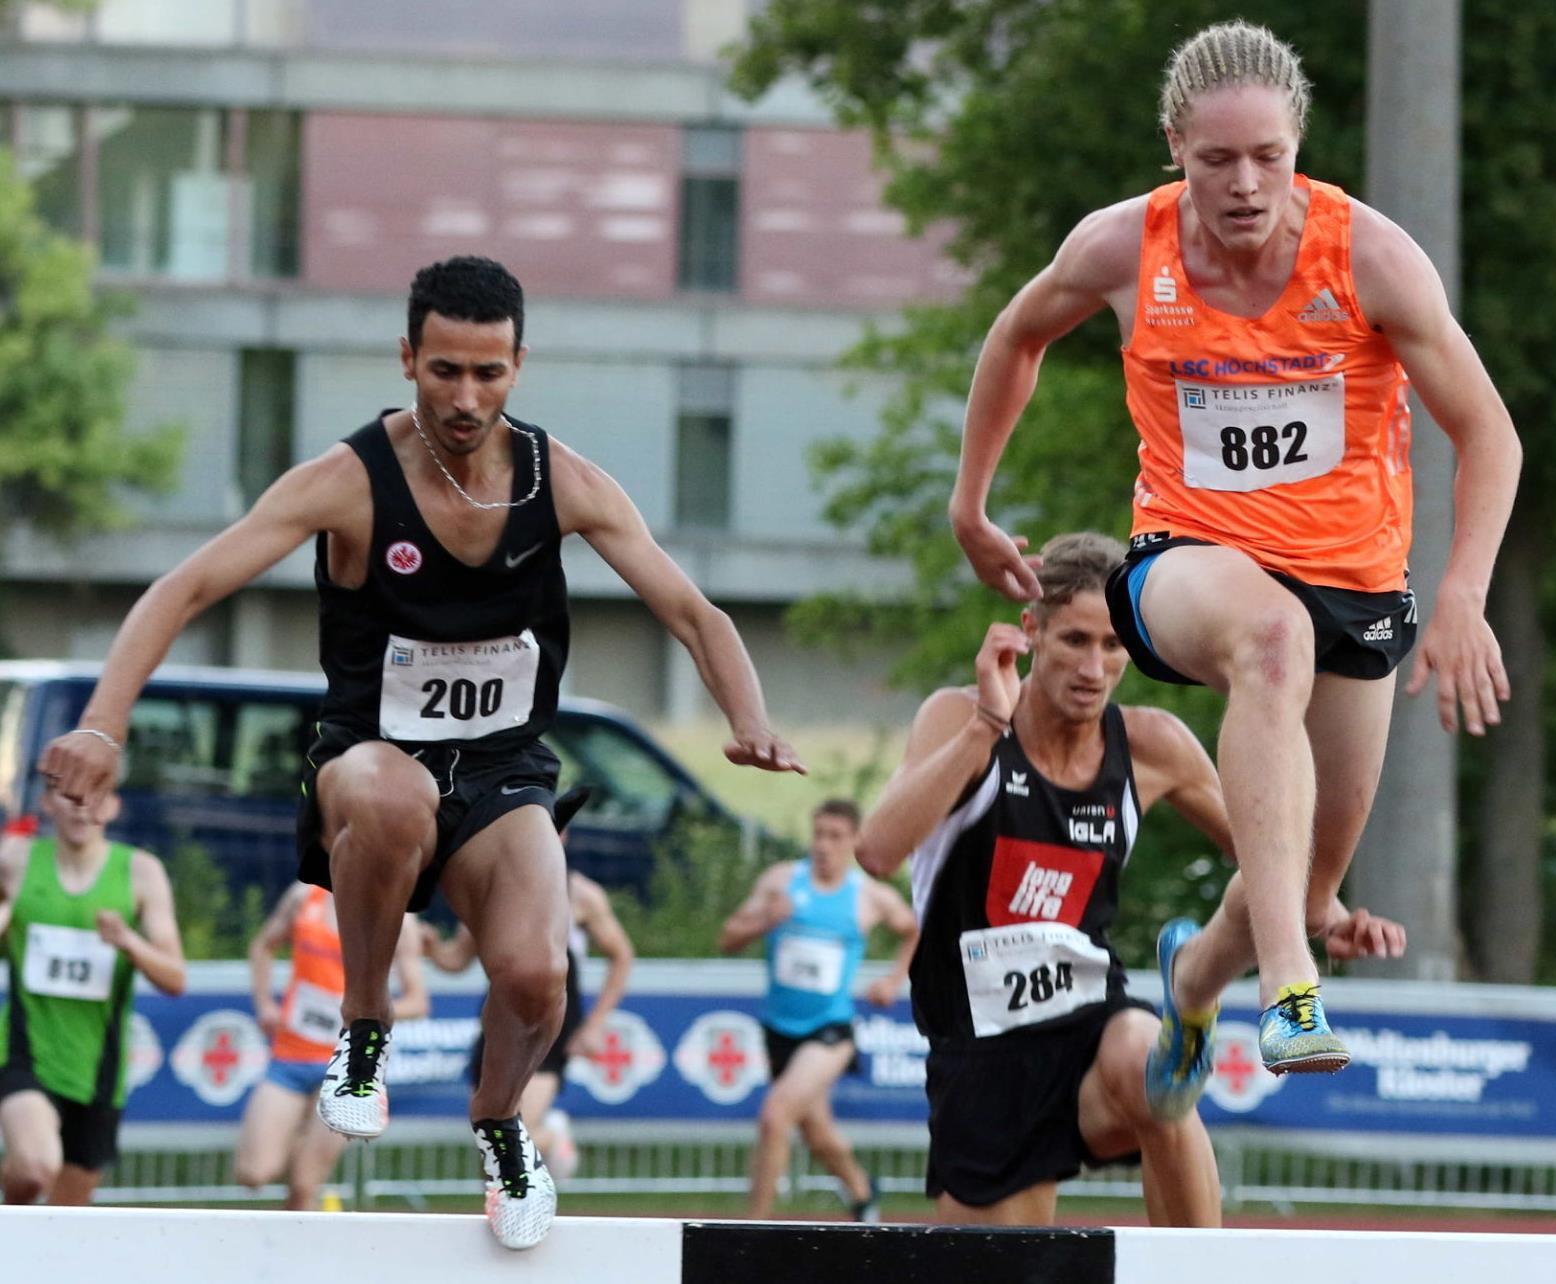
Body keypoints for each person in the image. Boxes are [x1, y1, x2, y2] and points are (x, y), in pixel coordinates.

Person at [34, 255, 804, 1248]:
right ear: (407, 358)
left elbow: (695, 614)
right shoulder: (348, 482)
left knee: (536, 976)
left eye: (487, 373)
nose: (465, 398)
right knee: (394, 795)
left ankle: (497, 1124)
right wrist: (103, 722)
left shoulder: (560, 481)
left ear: (518, 365)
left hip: (501, 775)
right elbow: (182, 589)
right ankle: (363, 1025)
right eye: (444, 370)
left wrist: (749, 714)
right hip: (368, 760)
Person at [944, 20, 1521, 1093]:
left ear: (1299, 144)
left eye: (1268, 157)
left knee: (1295, 883)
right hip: (1187, 560)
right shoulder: (1124, 246)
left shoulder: (1372, 258)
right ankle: (1292, 987)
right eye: (1216, 160)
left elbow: (1489, 432)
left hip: (1357, 583)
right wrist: (970, 502)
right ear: (1175, 147)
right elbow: (1018, 334)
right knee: (1267, 637)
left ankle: (1201, 979)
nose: (1245, 185)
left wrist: (1463, 594)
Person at [856, 532, 1249, 1226]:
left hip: (1089, 1023)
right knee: (997, 1262)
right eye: (1074, 641)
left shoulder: (1153, 745)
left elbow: (1265, 851)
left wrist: (1331, 909)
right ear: (1029, 631)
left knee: (1152, 1078)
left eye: (1114, 647)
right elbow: (877, 851)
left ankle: (1186, 1010)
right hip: (981, 1051)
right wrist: (986, 724)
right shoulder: (958, 718)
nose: (1094, 668)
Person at [422, 784, 637, 1180]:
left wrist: (595, 1025)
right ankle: (496, 1223)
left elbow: (622, 955)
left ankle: (551, 1137)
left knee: (517, 1136)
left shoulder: (582, 896)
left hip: (548, 1029)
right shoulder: (493, 892)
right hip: (497, 1022)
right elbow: (456, 960)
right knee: (488, 1141)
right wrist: (431, 948)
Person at [719, 798, 917, 1222]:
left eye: (835, 836)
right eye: (818, 834)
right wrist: (765, 920)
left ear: (855, 840)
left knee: (775, 1117)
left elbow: (912, 930)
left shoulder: (869, 897)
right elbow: (728, 938)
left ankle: (750, 1232)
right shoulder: (780, 882)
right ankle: (864, 1193)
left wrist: (893, 981)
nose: (824, 845)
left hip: (830, 1029)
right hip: (778, 1028)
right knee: (817, 1133)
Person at [0, 790, 186, 1205]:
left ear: (114, 805)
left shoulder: (140, 871)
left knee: (64, 1221)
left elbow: (176, 978)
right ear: (48, 802)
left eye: (95, 796)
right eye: (70, 796)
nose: (82, 807)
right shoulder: (16, 860)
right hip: (25, 1053)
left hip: (98, 1070)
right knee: (34, 1168)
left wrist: (128, 942)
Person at [233, 886, 429, 1210]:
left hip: (345, 1070)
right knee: (253, 1173)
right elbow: (262, 947)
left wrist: (361, 1012)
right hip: (291, 1058)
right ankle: (298, 1138)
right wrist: (264, 1003)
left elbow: (417, 1002)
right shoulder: (302, 897)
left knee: (303, 1188)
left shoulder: (399, 917)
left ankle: (294, 1257)